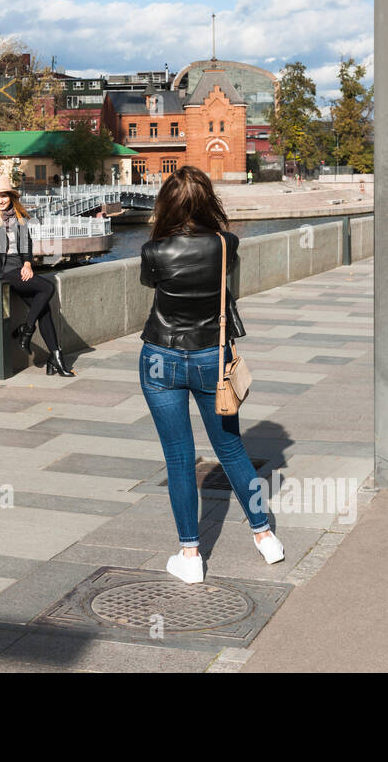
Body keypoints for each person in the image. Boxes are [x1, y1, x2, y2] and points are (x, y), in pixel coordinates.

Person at [138, 166, 282, 583]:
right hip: (211, 357)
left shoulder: (155, 251)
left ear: (167, 203)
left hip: (161, 356)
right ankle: (265, 536)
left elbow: (153, 284)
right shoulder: (226, 243)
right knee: (232, 449)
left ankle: (190, 556)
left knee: (179, 458)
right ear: (207, 201)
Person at [0, 174, 74, 377]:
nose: (0, 200)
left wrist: (27, 263)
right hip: (3, 272)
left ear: (10, 196)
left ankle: (55, 356)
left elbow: (27, 245)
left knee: (44, 310)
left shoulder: (19, 216)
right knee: (47, 287)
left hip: (19, 268)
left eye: (3, 196)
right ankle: (27, 329)